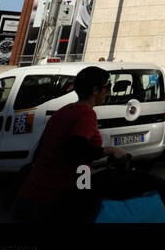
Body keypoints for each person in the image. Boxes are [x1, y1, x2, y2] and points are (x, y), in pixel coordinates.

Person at [12, 66, 132, 223]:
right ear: (96, 90)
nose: (108, 93)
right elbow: (77, 151)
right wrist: (112, 150)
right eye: (107, 88)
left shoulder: (64, 111)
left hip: (33, 191)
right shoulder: (86, 113)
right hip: (59, 197)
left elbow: (47, 151)